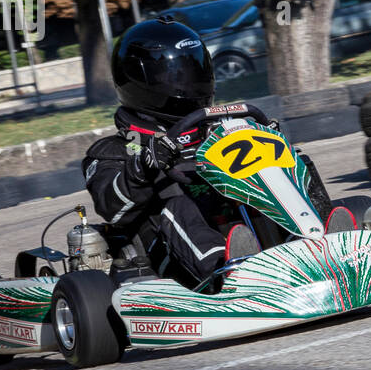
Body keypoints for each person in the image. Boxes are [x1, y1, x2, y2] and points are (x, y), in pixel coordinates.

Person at [81, 15, 288, 287]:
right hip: (169, 260)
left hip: (239, 232)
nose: (188, 82)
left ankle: (314, 244)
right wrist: (142, 167)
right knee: (174, 204)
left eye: (193, 69)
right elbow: (113, 208)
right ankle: (228, 272)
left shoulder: (219, 131)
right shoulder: (114, 150)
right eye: (174, 74)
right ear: (140, 80)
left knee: (284, 170)